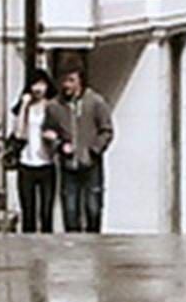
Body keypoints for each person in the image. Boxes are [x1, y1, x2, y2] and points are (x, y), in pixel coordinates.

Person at [50, 58, 112, 231]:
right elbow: (48, 131)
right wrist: (59, 145)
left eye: (71, 80)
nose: (66, 85)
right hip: (68, 164)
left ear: (80, 81)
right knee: (70, 210)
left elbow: (106, 130)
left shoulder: (96, 102)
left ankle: (93, 241)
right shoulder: (55, 106)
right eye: (63, 80)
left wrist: (94, 150)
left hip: (90, 163)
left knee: (93, 207)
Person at [14, 67, 63, 233]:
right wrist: (23, 105)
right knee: (28, 212)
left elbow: (61, 131)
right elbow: (19, 133)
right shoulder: (26, 107)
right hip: (26, 163)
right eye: (35, 84)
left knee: (46, 212)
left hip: (47, 163)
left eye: (42, 84)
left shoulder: (53, 107)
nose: (38, 89)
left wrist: (54, 137)